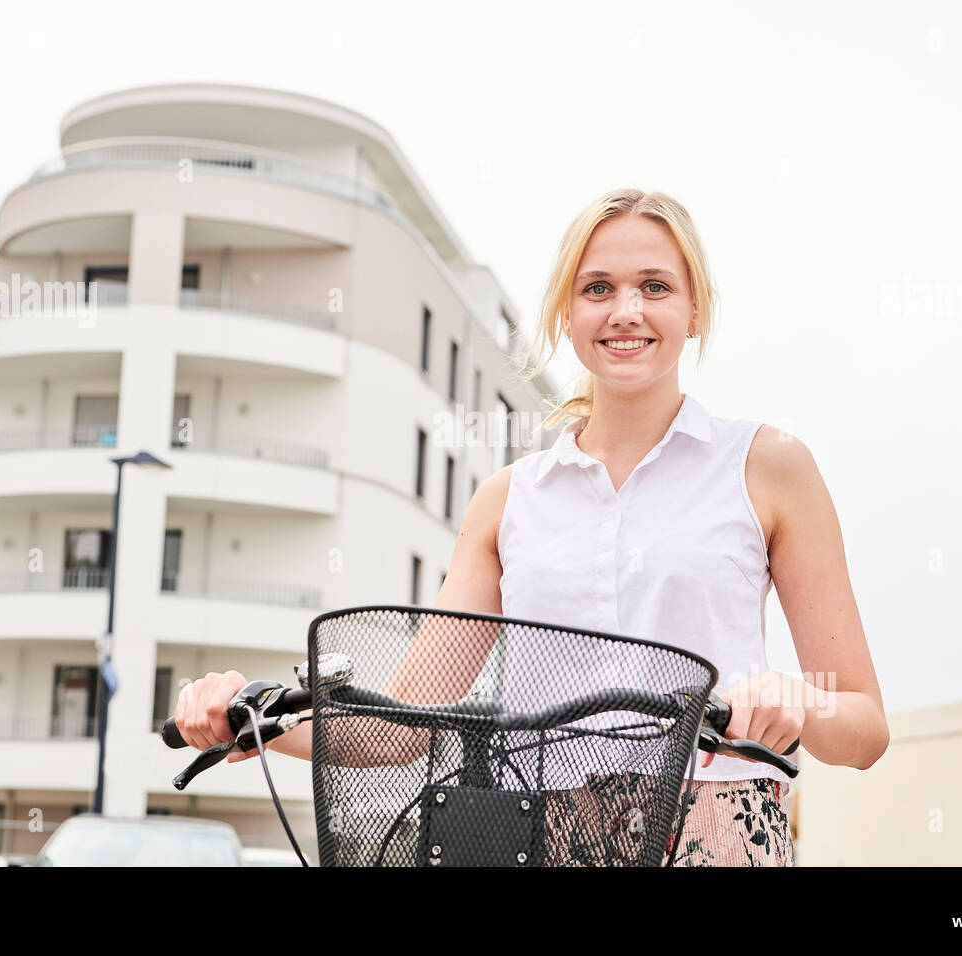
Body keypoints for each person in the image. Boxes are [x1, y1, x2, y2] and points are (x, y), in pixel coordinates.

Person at [173, 187, 889, 866]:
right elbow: (401, 727)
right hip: (541, 830)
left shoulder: (768, 466)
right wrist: (250, 714)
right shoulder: (508, 500)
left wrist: (799, 701)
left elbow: (865, 728)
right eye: (598, 288)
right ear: (567, 314)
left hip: (716, 820)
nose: (626, 310)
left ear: (694, 309)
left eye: (656, 287)